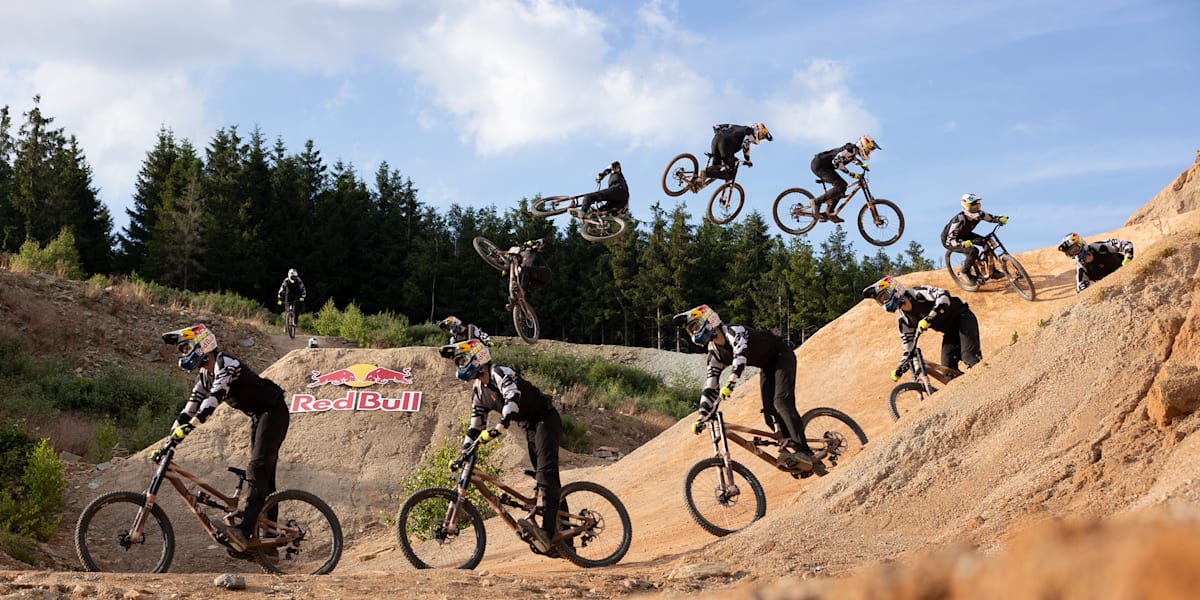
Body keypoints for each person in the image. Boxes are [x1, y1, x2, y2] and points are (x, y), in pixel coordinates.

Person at [157, 324, 288, 553]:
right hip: (258, 416)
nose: (184, 353)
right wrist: (169, 441)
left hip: (273, 411)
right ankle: (268, 543)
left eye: (186, 347)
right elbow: (189, 409)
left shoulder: (225, 363)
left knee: (257, 469)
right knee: (264, 477)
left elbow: (213, 401)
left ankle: (244, 531)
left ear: (201, 345)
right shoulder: (205, 376)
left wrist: (188, 428)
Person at [439, 338, 563, 556]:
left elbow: (512, 397)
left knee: (546, 475)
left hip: (545, 419)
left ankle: (548, 533)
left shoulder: (499, 372)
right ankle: (563, 543)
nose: (461, 365)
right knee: (543, 478)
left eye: (462, 360)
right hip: (529, 425)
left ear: (478, 357)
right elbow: (475, 426)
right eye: (458, 362)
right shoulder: (479, 391)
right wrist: (464, 452)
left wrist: (500, 426)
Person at [672, 304, 815, 473]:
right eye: (691, 330)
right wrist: (701, 416)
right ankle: (798, 459)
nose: (694, 332)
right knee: (769, 413)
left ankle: (804, 452)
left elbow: (740, 355)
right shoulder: (715, 354)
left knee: (781, 403)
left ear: (708, 320)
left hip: (781, 356)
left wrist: (731, 382)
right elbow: (710, 386)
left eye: (695, 326)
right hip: (767, 367)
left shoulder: (734, 331)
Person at [863, 276, 982, 379]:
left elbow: (944, 295)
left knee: (969, 356)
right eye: (881, 301)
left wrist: (930, 317)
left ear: (894, 289)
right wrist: (900, 368)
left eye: (884, 297)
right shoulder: (903, 320)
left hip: (962, 317)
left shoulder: (916, 294)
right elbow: (908, 346)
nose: (884, 302)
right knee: (947, 371)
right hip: (950, 332)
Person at [941, 193, 1009, 286]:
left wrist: (1000, 219)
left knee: (987, 242)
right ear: (965, 207)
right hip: (950, 240)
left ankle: (992, 270)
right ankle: (964, 272)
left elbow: (991, 218)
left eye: (977, 205)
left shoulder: (980, 214)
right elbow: (950, 240)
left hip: (965, 235)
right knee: (973, 251)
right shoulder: (959, 219)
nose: (976, 208)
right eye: (972, 206)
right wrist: (962, 243)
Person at [810, 135, 881, 223]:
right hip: (820, 165)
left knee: (841, 190)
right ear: (862, 146)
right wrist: (850, 173)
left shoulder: (853, 152)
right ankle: (816, 202)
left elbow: (851, 159)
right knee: (841, 186)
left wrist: (861, 164)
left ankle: (829, 213)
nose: (868, 153)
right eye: (868, 150)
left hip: (826, 167)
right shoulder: (849, 150)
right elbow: (836, 161)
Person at [1058, 233, 1134, 293]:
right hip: (1114, 288)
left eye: (1075, 249)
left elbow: (1126, 244)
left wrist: (1127, 259)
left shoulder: (1099, 247)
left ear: (1082, 244)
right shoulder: (1081, 268)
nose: (1075, 254)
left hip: (1128, 271)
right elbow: (1081, 290)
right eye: (1071, 253)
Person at [705, 123, 772, 181]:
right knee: (730, 174)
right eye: (762, 135)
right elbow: (745, 146)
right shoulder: (750, 133)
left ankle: (700, 179)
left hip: (715, 140)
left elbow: (716, 126)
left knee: (716, 167)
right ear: (757, 130)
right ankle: (706, 174)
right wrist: (748, 160)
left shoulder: (738, 127)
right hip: (726, 144)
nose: (761, 138)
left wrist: (719, 134)